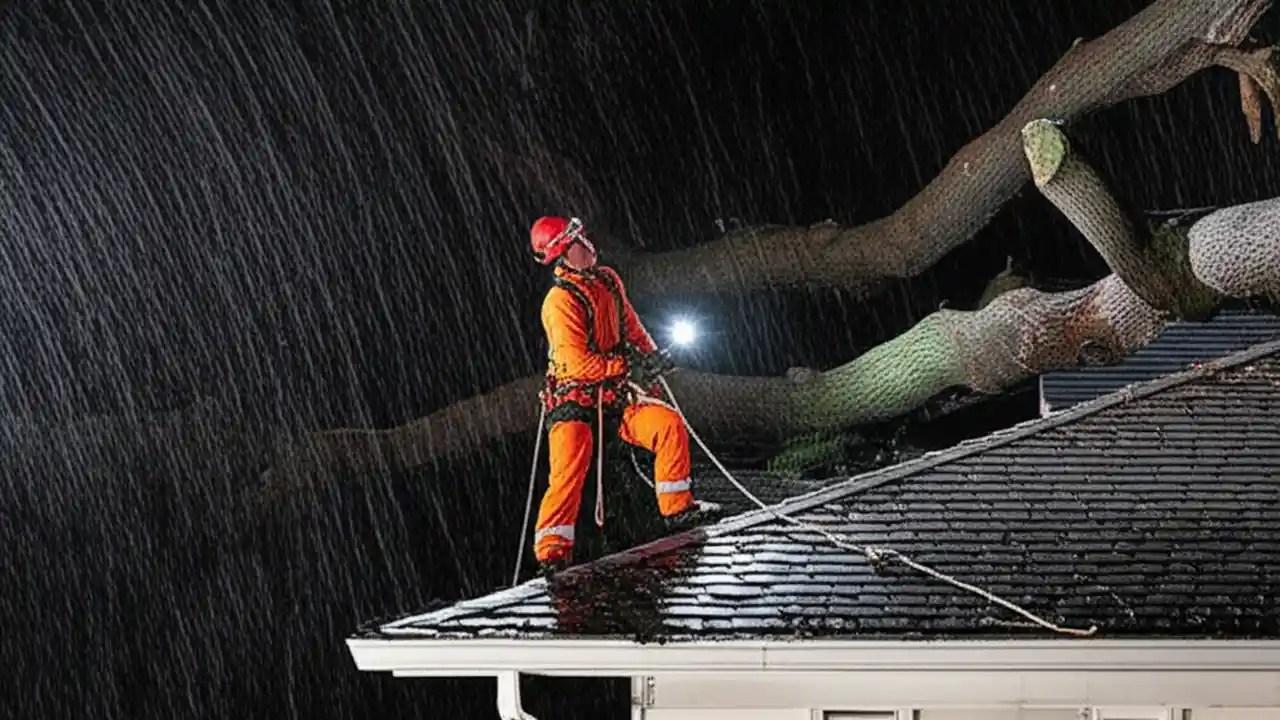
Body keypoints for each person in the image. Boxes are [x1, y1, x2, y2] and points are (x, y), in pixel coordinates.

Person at [528, 215, 722, 576]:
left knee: (666, 424)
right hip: (575, 402)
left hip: (616, 396)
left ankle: (677, 509)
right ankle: (552, 551)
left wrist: (651, 358)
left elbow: (629, 324)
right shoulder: (558, 303)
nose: (585, 246)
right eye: (575, 244)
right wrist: (625, 368)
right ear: (561, 255)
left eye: (583, 238)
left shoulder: (608, 280)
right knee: (568, 470)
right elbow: (577, 365)